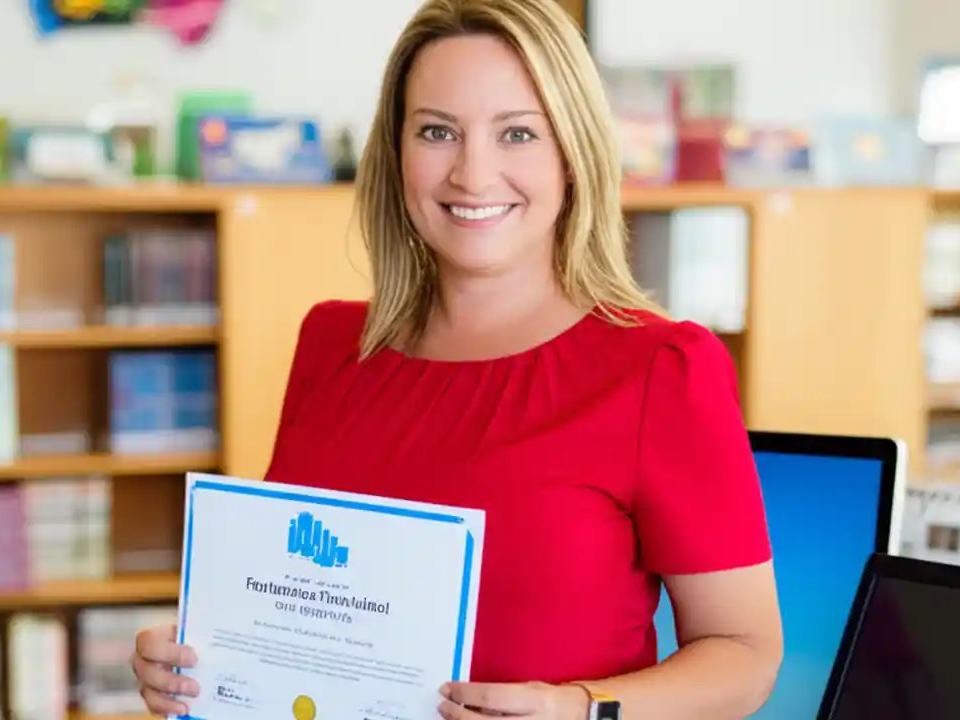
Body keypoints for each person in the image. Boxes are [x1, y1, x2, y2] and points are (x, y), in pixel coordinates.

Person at [130, 0, 783, 717]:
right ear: (396, 152)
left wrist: (576, 710)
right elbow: (295, 599)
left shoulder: (661, 367)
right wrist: (199, 658)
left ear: (574, 152)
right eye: (438, 131)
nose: (473, 174)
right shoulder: (332, 346)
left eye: (518, 134)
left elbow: (744, 654)